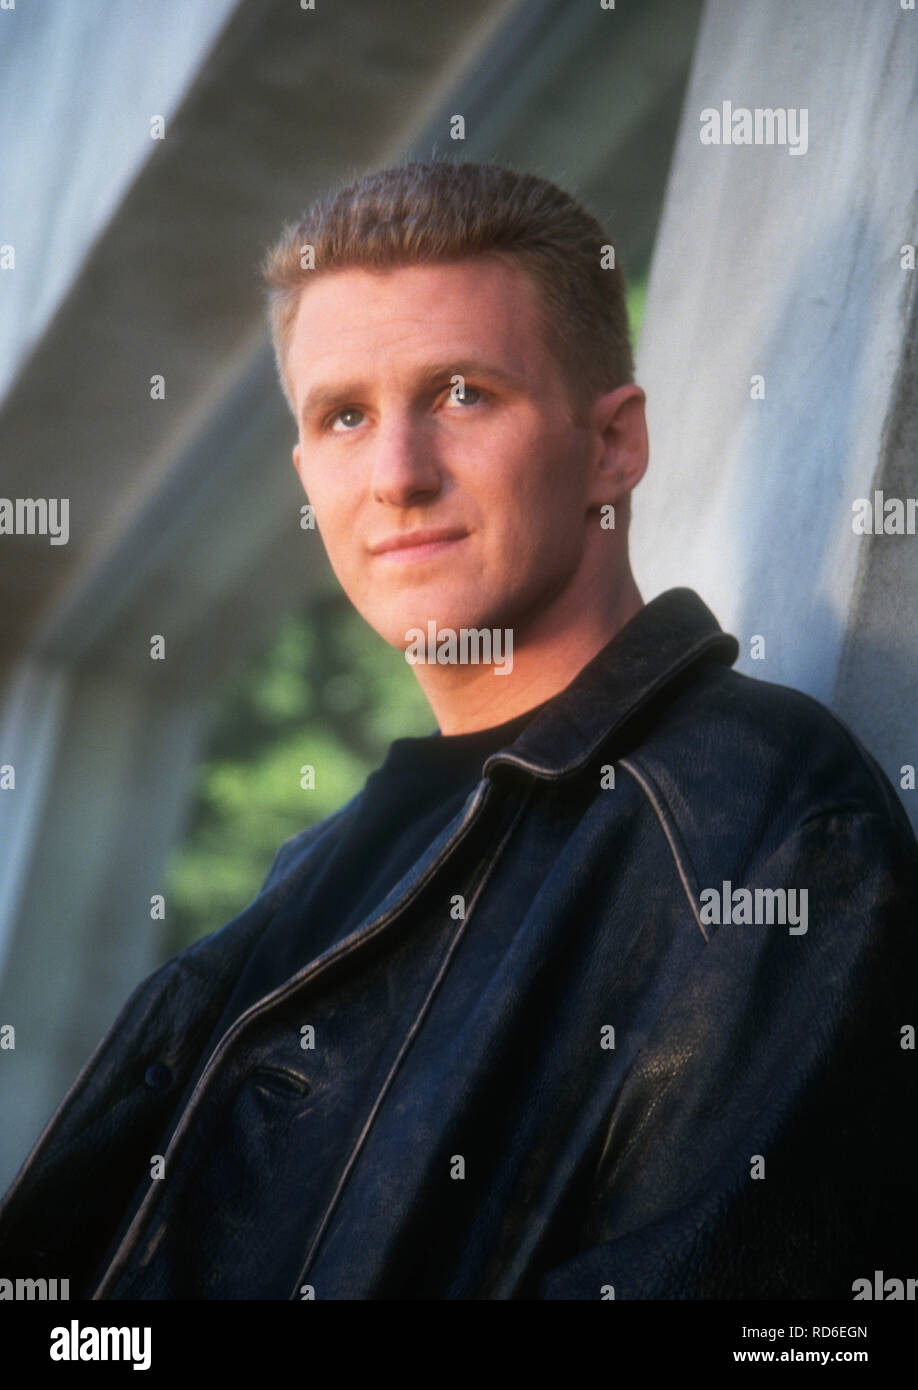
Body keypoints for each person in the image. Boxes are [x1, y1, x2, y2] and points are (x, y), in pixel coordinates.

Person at [1, 160, 916, 1301]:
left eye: (462, 394)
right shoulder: (322, 873)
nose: (396, 476)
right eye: (344, 416)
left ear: (613, 446)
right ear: (305, 474)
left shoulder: (762, 825)